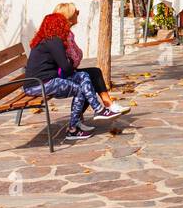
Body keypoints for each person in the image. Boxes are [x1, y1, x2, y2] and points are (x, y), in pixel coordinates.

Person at [25, 13, 128, 141]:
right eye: (64, 24)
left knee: (84, 75)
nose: (66, 27)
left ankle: (98, 110)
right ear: (59, 25)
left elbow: (65, 68)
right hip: (39, 84)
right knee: (80, 88)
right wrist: (70, 63)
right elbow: (66, 68)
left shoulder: (46, 40)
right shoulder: (54, 41)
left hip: (43, 81)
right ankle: (73, 129)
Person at [52, 2, 123, 113]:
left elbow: (76, 57)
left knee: (94, 73)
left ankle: (106, 104)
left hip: (63, 73)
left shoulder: (67, 33)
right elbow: (76, 59)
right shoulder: (63, 35)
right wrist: (76, 56)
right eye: (76, 12)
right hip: (58, 77)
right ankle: (101, 107)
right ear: (68, 16)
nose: (78, 14)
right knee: (89, 77)